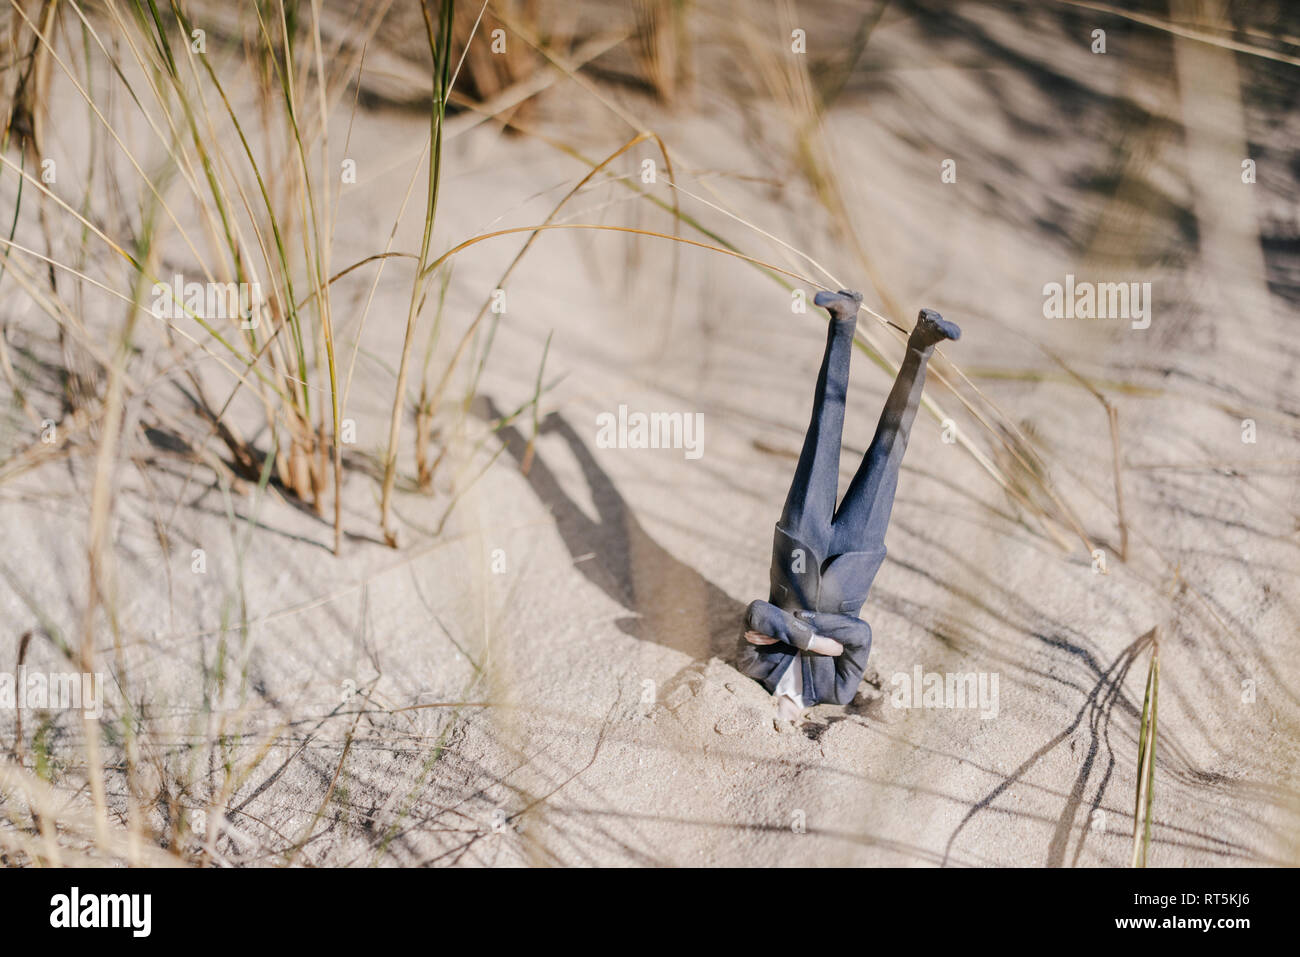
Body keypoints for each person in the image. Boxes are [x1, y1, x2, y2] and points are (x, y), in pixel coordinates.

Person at [736, 289, 961, 720]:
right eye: (789, 722)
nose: (781, 717)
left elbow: (759, 613)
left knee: (823, 433)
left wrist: (809, 639)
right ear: (801, 721)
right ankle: (923, 345)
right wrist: (802, 632)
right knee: (889, 452)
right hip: (855, 561)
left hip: (799, 547)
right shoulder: (836, 692)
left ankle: (843, 322)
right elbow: (859, 635)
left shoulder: (756, 670)